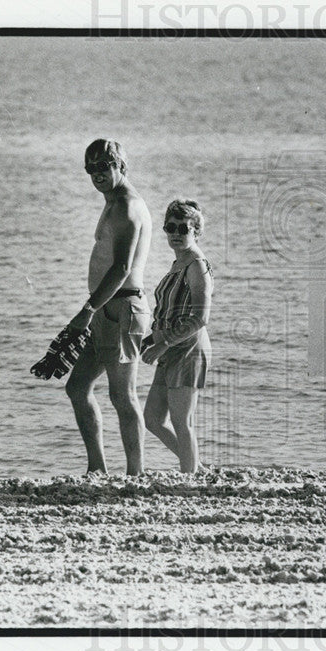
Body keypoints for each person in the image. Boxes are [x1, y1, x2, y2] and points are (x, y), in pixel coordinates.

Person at [64, 139, 153, 475]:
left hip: (123, 308)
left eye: (105, 165)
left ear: (121, 165)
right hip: (106, 310)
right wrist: (94, 310)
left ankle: (136, 474)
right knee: (77, 387)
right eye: (91, 168)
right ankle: (97, 468)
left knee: (122, 394)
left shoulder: (127, 206)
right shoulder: (113, 202)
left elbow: (122, 268)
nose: (97, 173)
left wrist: (88, 309)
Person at [141, 199, 213, 473]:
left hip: (187, 349)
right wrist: (152, 340)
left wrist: (164, 343)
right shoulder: (178, 263)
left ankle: (190, 477)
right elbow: (170, 310)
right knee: (152, 419)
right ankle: (196, 467)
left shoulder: (197, 265)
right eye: (170, 227)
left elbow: (200, 317)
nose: (175, 233)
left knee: (182, 421)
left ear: (196, 231)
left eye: (183, 228)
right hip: (168, 348)